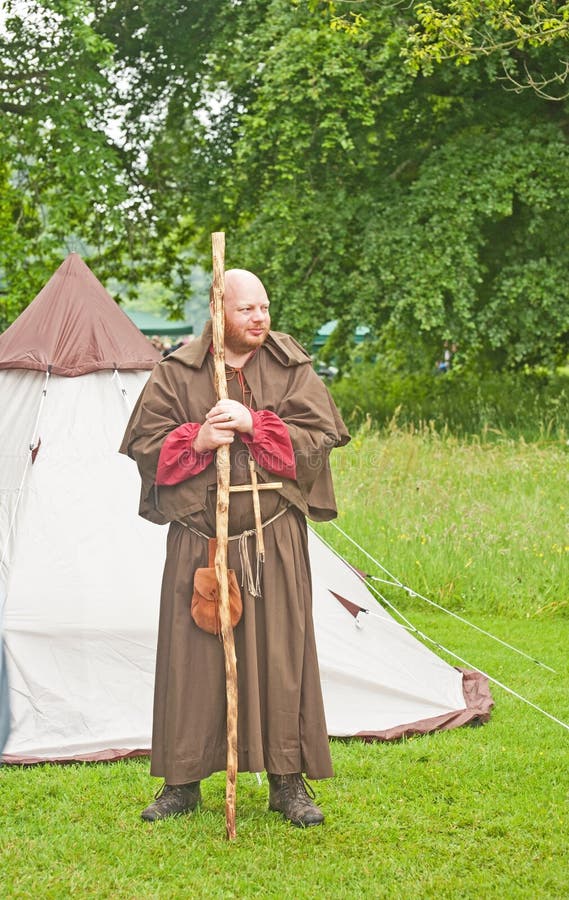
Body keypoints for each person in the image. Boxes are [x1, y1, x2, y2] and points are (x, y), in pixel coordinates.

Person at [120, 269, 350, 827]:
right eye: (248, 309)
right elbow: (144, 445)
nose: (260, 317)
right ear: (219, 310)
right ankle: (181, 783)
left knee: (281, 657)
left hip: (274, 537)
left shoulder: (290, 366)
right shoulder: (177, 372)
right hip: (200, 539)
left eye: (265, 307)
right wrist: (195, 440)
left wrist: (255, 424)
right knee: (191, 661)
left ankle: (287, 782)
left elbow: (319, 440)